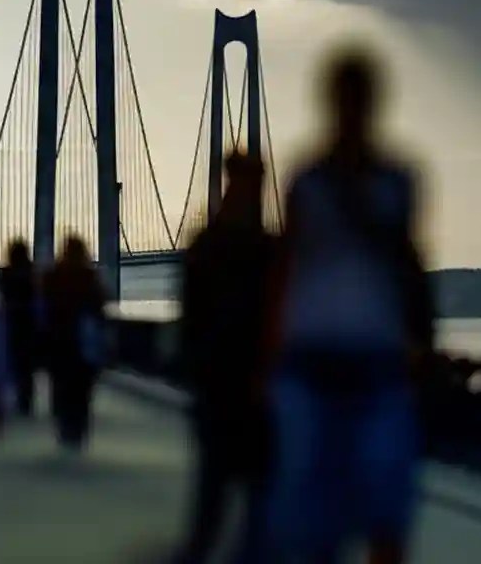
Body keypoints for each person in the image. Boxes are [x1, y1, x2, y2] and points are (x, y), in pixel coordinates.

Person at [263, 47, 434, 564]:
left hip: (373, 364)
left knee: (383, 514)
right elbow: (288, 269)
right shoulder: (308, 180)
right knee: (316, 522)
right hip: (315, 364)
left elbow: (408, 266)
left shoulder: (395, 181)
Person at [174, 152, 277, 564]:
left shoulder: (211, 246)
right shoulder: (261, 250)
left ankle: (220, 550)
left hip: (241, 383)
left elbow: (190, 316)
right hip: (231, 382)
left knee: (234, 482)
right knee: (231, 482)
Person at [43, 237, 107, 452]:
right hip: (83, 345)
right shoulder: (90, 277)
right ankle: (78, 431)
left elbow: (45, 309)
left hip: (59, 344)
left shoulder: (53, 276)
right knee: (81, 391)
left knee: (61, 388)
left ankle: (64, 428)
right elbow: (100, 307)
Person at [0, 240, 40, 416]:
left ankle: (20, 397)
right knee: (27, 365)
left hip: (12, 324)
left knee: (16, 363)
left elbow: (3, 296)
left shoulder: (6, 274)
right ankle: (26, 398)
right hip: (28, 324)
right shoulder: (31, 272)